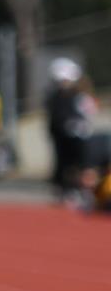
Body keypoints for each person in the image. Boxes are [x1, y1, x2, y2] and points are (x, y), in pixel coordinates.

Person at [46, 58, 97, 203]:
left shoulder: (80, 95)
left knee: (81, 163)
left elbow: (88, 111)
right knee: (64, 162)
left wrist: (80, 125)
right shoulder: (56, 97)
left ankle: (81, 189)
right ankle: (64, 188)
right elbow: (56, 117)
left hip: (79, 137)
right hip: (61, 135)